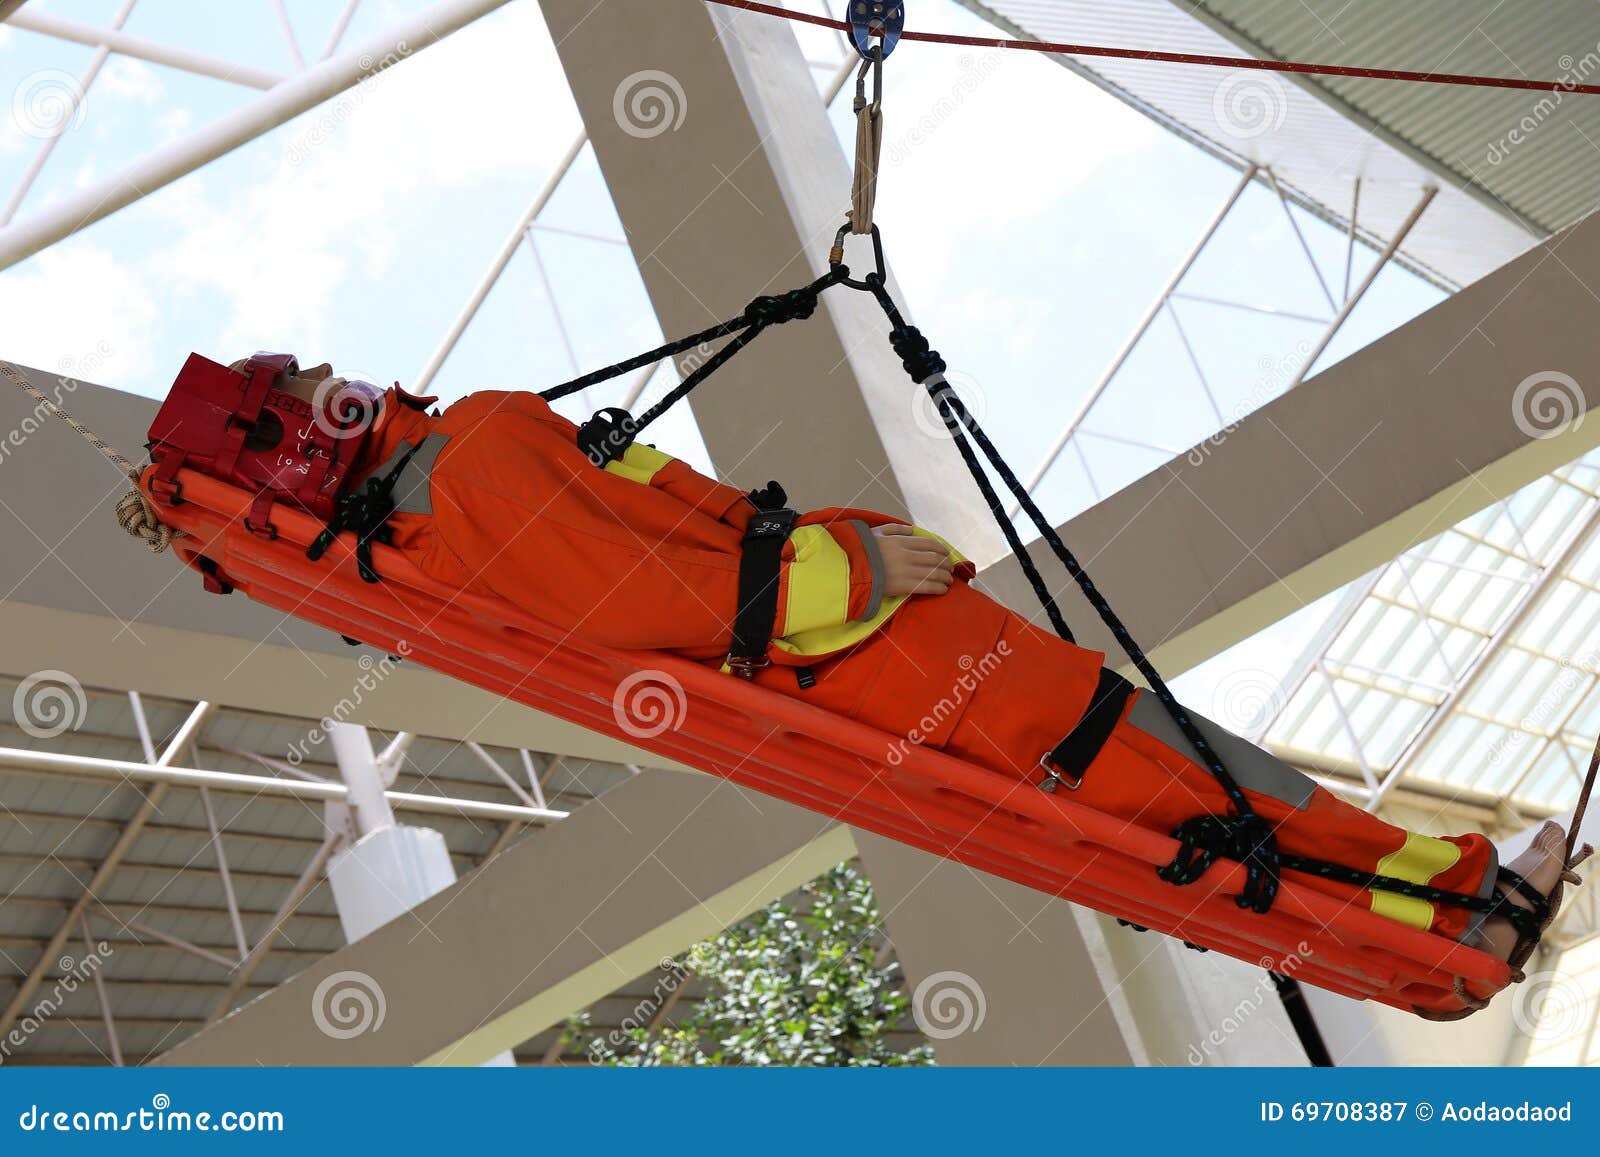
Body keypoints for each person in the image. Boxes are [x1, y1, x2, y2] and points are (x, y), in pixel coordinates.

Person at [239, 358, 1585, 984]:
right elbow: (663, 599)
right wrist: (859, 577)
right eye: (312, 379)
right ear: (312, 430)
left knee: (1172, 794)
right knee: (1179, 777)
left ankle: (1453, 907)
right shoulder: (473, 457)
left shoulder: (423, 544)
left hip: (882, 677)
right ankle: (1462, 902)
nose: (340, 371)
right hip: (894, 655)